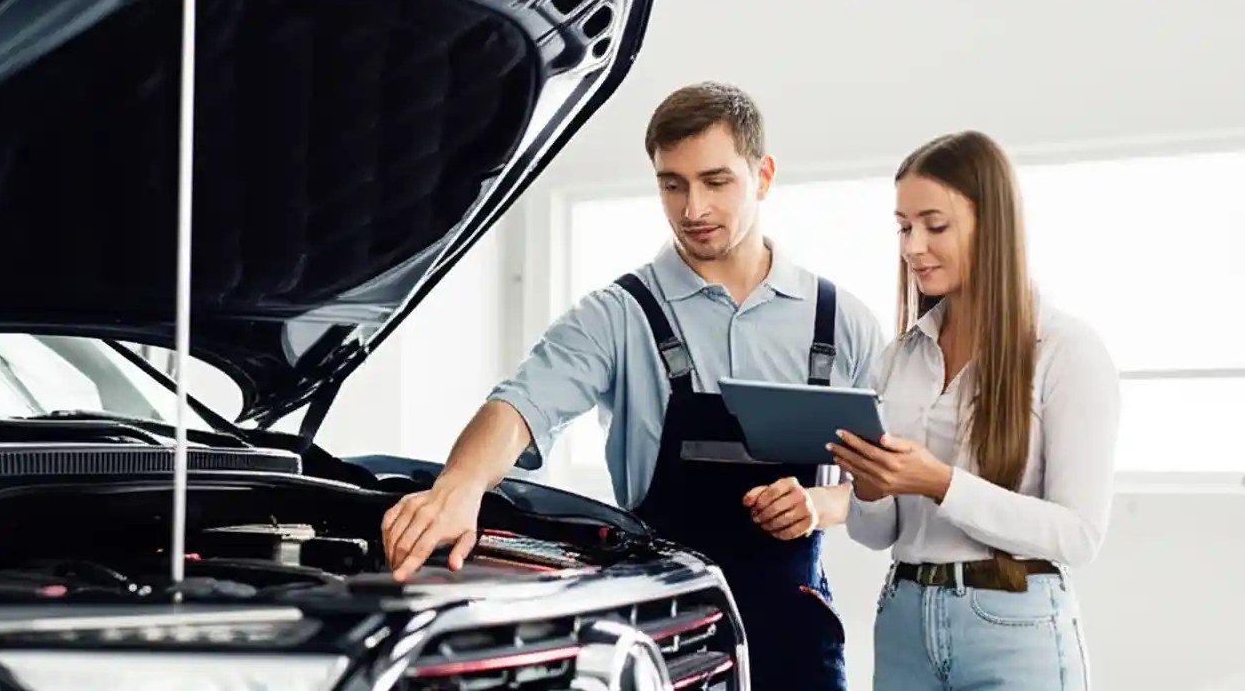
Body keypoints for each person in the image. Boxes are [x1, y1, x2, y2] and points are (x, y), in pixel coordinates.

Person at [380, 81, 886, 689]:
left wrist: (821, 504)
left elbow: (885, 487)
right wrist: (458, 487)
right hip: (665, 635)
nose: (691, 207)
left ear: (764, 175)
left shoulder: (842, 321)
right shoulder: (618, 314)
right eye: (672, 183)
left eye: (715, 181)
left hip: (795, 633)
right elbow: (521, 405)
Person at [829, 130, 1121, 690]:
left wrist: (940, 483)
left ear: (993, 225)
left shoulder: (1065, 350)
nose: (912, 246)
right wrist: (870, 484)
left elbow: (1079, 534)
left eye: (934, 226)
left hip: (1012, 624)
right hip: (904, 620)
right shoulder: (898, 359)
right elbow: (876, 533)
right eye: (904, 226)